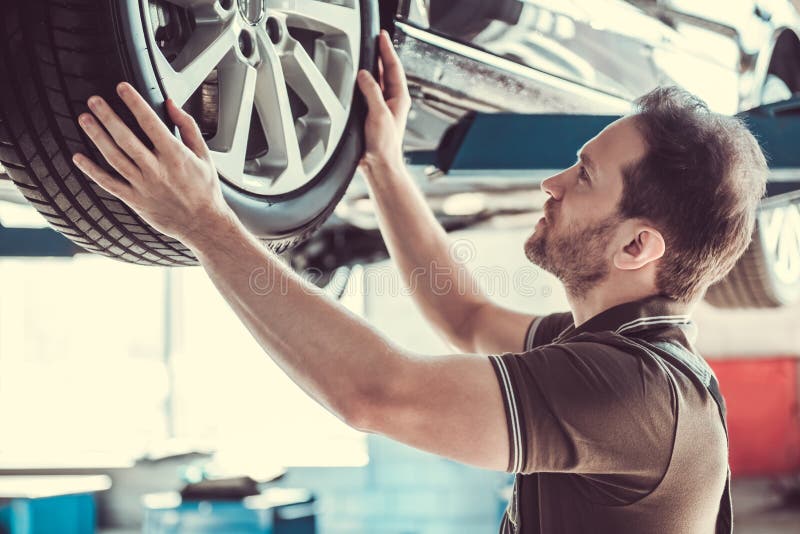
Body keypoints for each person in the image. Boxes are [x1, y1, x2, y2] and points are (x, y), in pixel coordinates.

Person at [71, 30, 767, 534]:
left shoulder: (635, 394)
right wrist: (384, 165)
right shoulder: (621, 355)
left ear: (638, 245)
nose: (552, 184)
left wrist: (204, 221)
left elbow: (377, 394)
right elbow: (464, 318)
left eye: (582, 177)